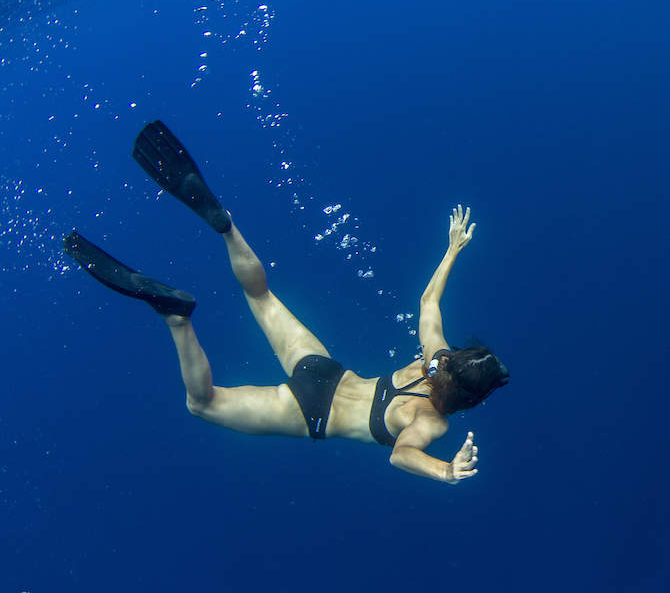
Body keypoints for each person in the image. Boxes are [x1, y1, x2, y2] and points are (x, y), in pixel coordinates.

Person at [64, 120, 508, 483]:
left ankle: (226, 228)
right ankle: (177, 319)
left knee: (259, 294)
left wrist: (451, 250)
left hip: (326, 370)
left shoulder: (436, 358)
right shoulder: (433, 421)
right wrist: (445, 469)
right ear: (473, 398)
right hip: (308, 410)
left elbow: (428, 303)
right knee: (203, 404)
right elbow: (401, 456)